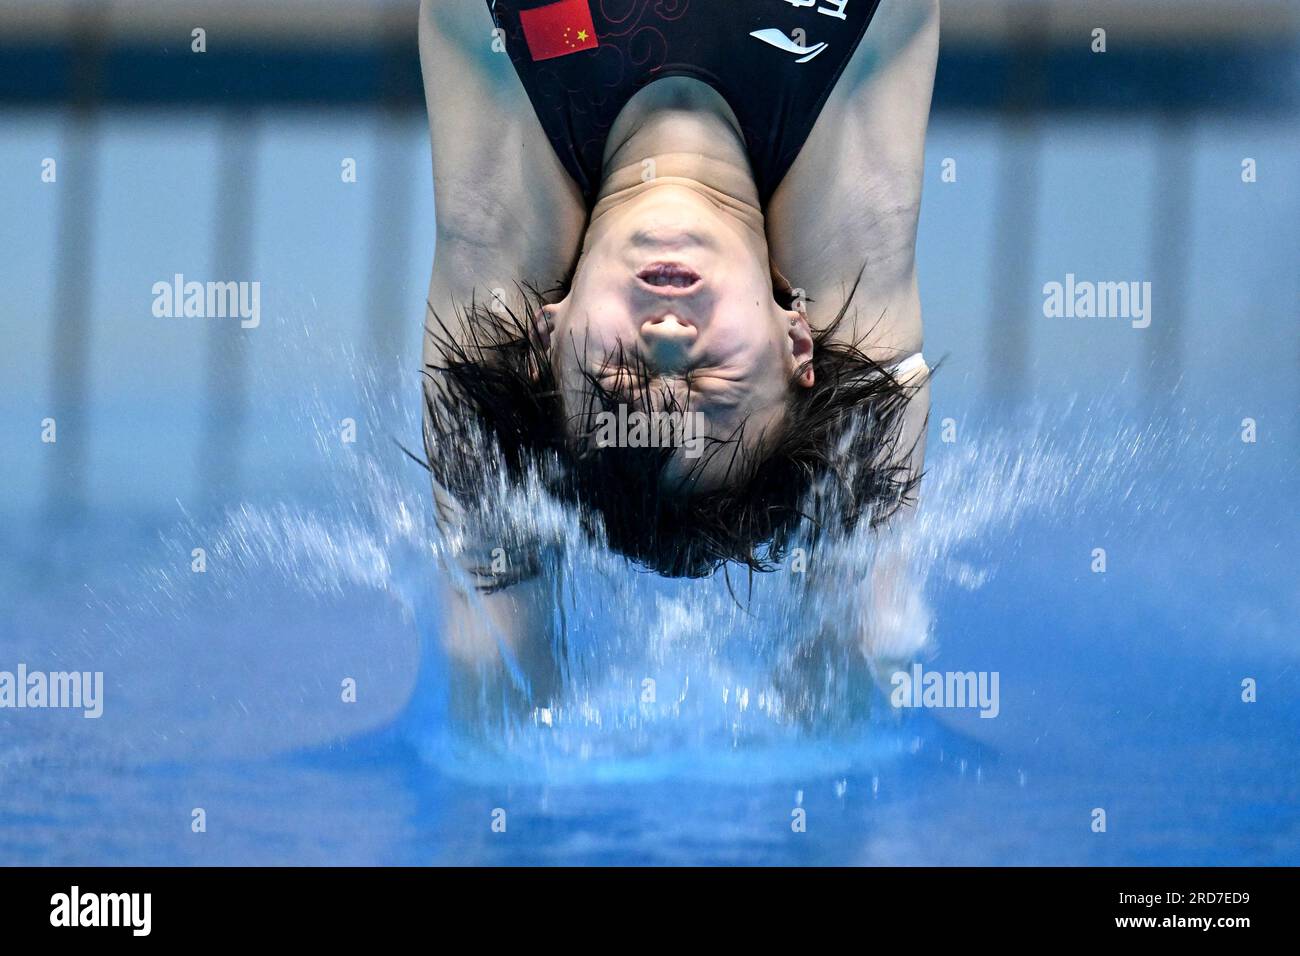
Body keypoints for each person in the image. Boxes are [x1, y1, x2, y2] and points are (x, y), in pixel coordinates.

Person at [417, 0, 938, 702]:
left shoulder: (505, 117)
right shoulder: (849, 129)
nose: (664, 337)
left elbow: (489, 647)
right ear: (797, 343)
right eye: (710, 375)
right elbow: (865, 642)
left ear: (545, 334)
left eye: (619, 373)